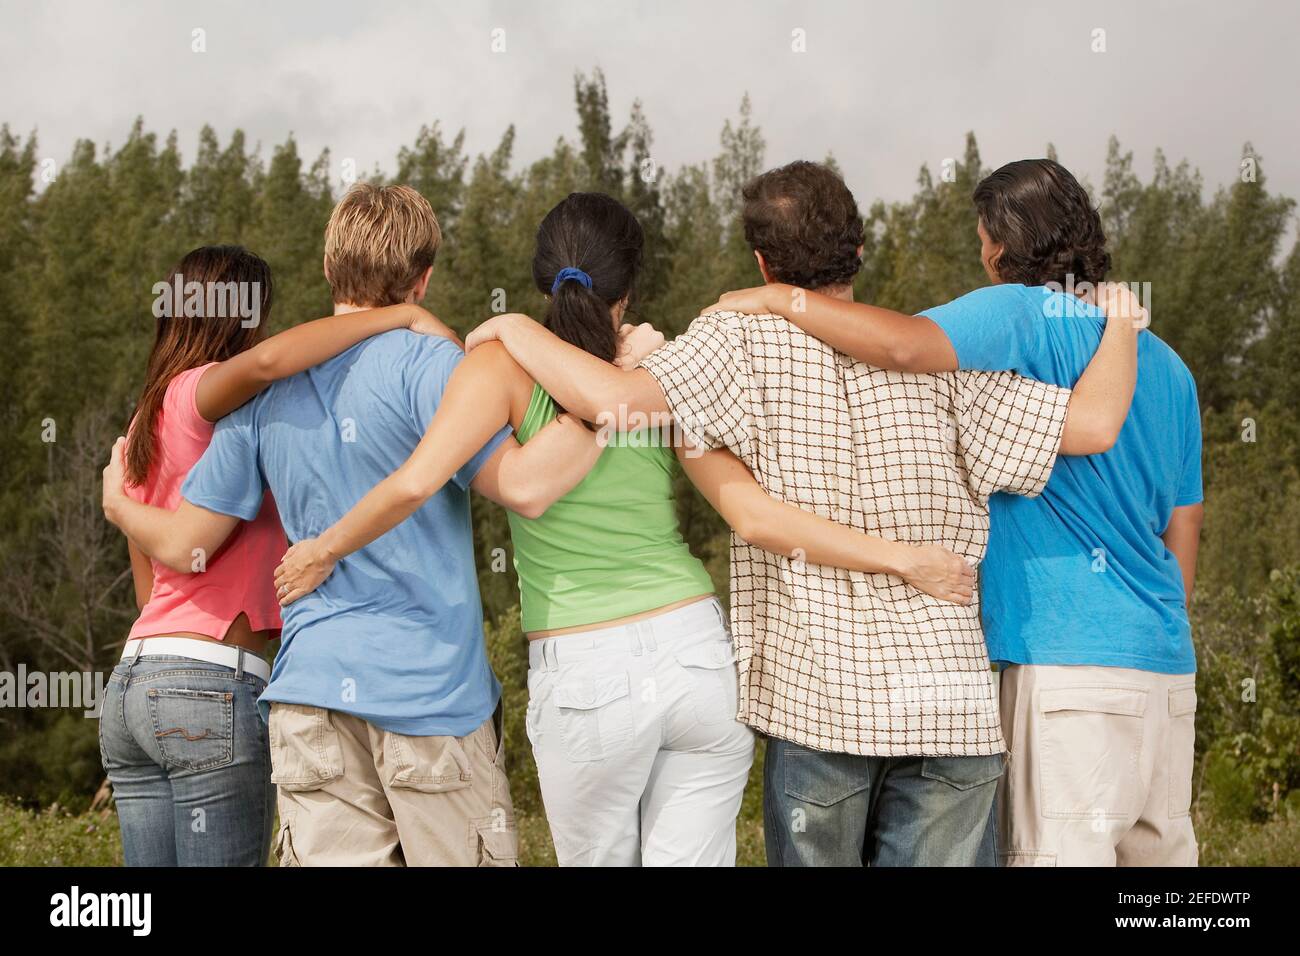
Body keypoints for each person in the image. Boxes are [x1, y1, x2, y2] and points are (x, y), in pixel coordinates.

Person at [461, 161, 1141, 866]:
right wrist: (1121, 323)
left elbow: (610, 405)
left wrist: (515, 326)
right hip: (950, 707)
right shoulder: (934, 351)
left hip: (820, 706)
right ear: (860, 249)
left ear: (760, 262)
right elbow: (1093, 425)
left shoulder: (730, 341)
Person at [271, 191, 977, 866]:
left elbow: (434, 480)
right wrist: (901, 557)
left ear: (543, 280)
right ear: (629, 288)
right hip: (697, 655)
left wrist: (323, 549)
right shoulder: (659, 373)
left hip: (586, 670)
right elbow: (751, 514)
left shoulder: (503, 366)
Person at [714, 158, 1201, 866]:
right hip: (1164, 670)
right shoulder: (1170, 365)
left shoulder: (1020, 311)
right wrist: (1153, 632)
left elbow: (901, 345)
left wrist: (779, 302)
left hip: (1064, 662)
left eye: (981, 237)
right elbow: (1182, 524)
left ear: (1001, 245)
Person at [102, 183, 594, 867]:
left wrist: (123, 507)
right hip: (431, 696)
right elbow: (522, 485)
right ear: (422, 278)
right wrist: (603, 398)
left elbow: (186, 539)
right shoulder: (438, 368)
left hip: (310, 699)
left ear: (329, 270)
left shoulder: (263, 396)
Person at [99, 242, 461, 866]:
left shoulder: (141, 425)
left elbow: (151, 579)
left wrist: (120, 509)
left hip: (134, 684)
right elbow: (267, 364)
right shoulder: (196, 396)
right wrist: (393, 316)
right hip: (209, 684)